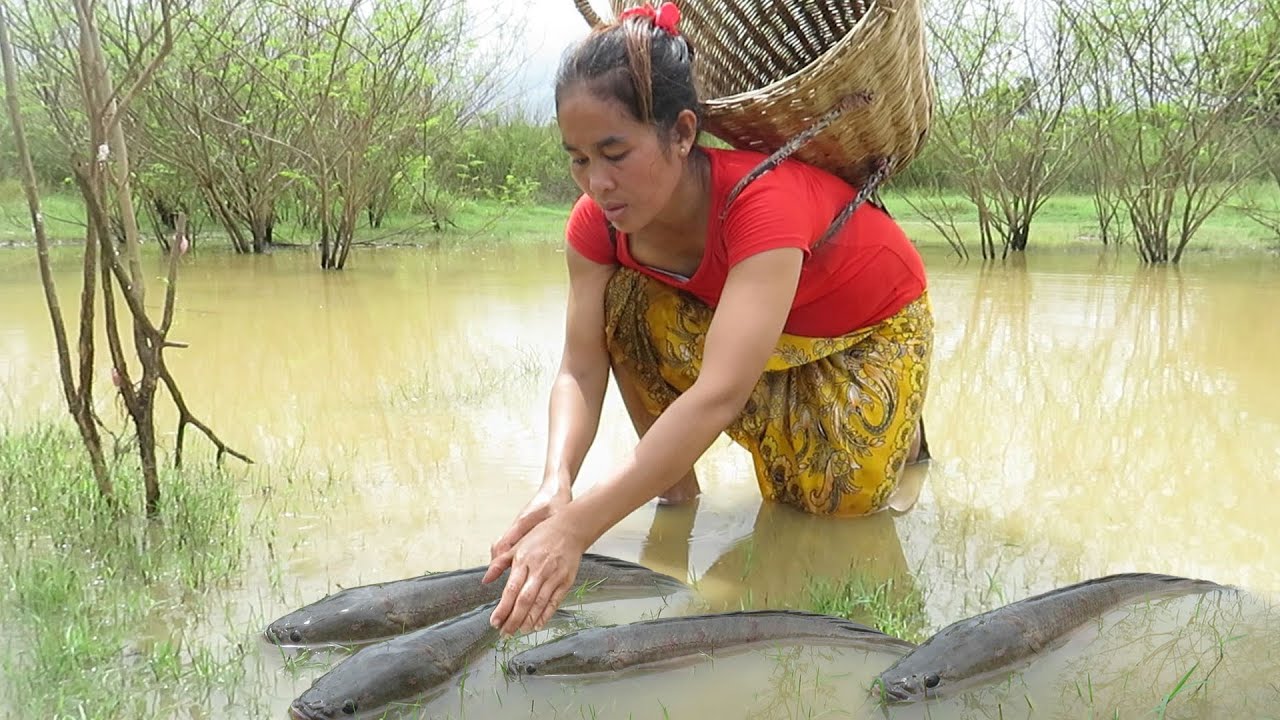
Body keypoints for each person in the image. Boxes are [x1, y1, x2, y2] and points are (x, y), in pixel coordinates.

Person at [481, 1, 934, 635]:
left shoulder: (761, 204)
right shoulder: (596, 225)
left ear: (683, 133)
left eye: (615, 152)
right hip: (760, 336)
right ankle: (674, 488)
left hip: (867, 330)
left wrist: (577, 528)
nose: (597, 184)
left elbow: (720, 395)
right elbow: (579, 367)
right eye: (579, 159)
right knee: (626, 309)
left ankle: (906, 439)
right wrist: (556, 487)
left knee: (831, 513)